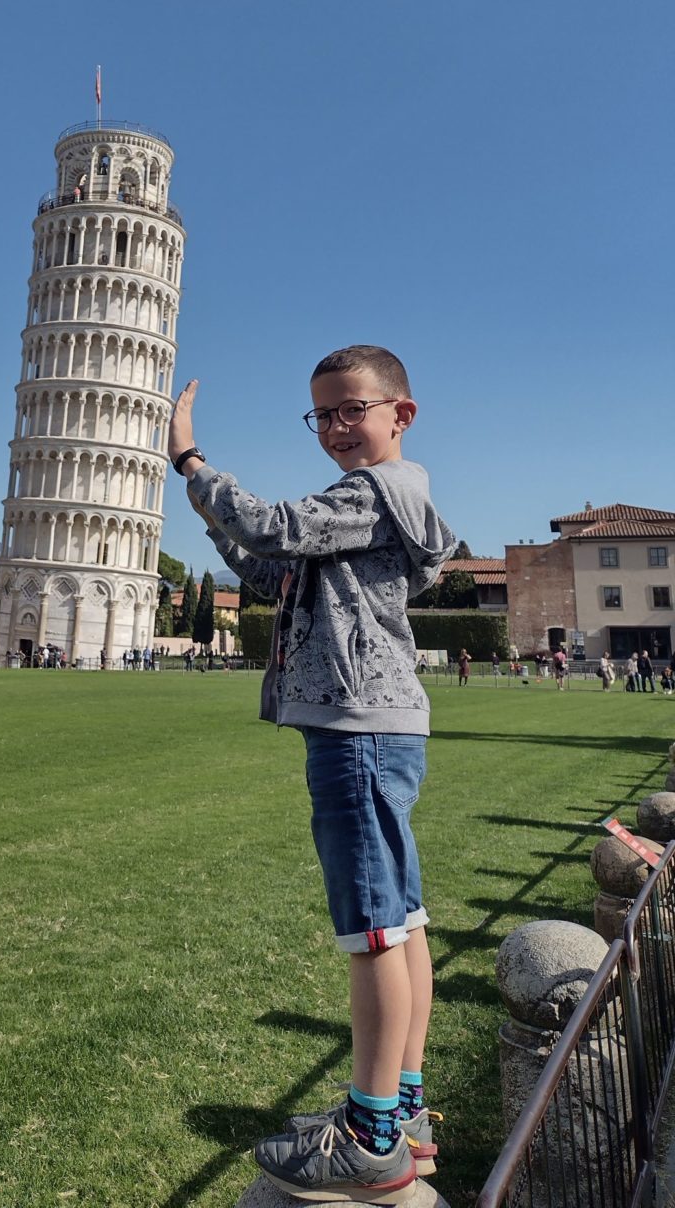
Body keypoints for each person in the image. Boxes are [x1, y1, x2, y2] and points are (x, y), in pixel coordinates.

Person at [168, 345, 454, 1199]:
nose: (333, 427)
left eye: (350, 409)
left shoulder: (376, 492)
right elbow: (270, 566)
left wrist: (189, 459)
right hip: (376, 722)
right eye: (321, 414)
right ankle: (400, 1112)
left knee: (370, 930)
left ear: (400, 414)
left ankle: (369, 1140)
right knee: (400, 922)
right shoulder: (381, 503)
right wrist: (212, 513)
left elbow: (277, 528)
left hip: (356, 725)